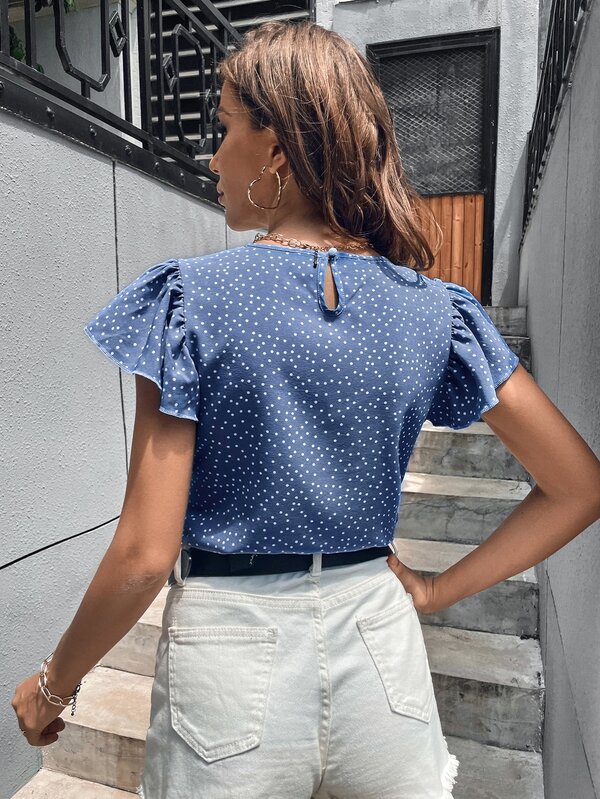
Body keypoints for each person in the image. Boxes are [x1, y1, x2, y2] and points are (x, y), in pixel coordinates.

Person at [11, 18, 600, 799]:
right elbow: (578, 485)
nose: (212, 156)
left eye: (224, 128)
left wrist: (53, 685)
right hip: (380, 644)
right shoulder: (439, 310)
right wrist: (434, 590)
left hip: (228, 657)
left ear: (277, 151)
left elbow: (146, 552)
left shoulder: (191, 301)